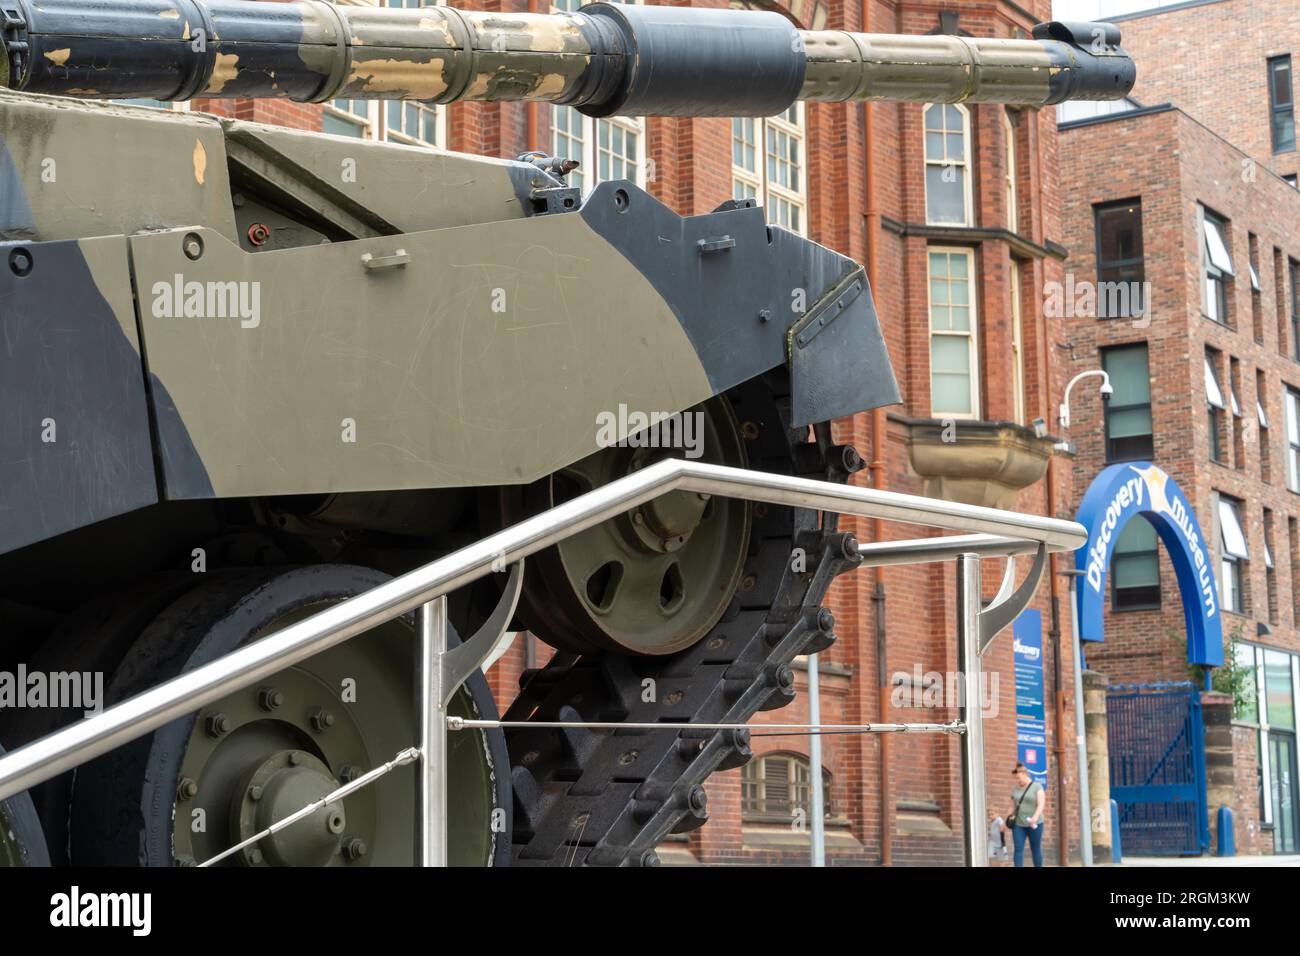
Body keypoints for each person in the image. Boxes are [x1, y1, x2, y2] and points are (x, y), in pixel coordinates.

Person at [1000, 762, 1045, 867]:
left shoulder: (1037, 787)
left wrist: (1035, 817)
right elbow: (1012, 807)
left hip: (1035, 824)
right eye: (1015, 778)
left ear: (1025, 774)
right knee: (1018, 849)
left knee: (1035, 848)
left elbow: (1041, 804)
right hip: (1019, 824)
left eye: (1019, 778)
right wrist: (1005, 822)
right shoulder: (1015, 789)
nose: (1017, 781)